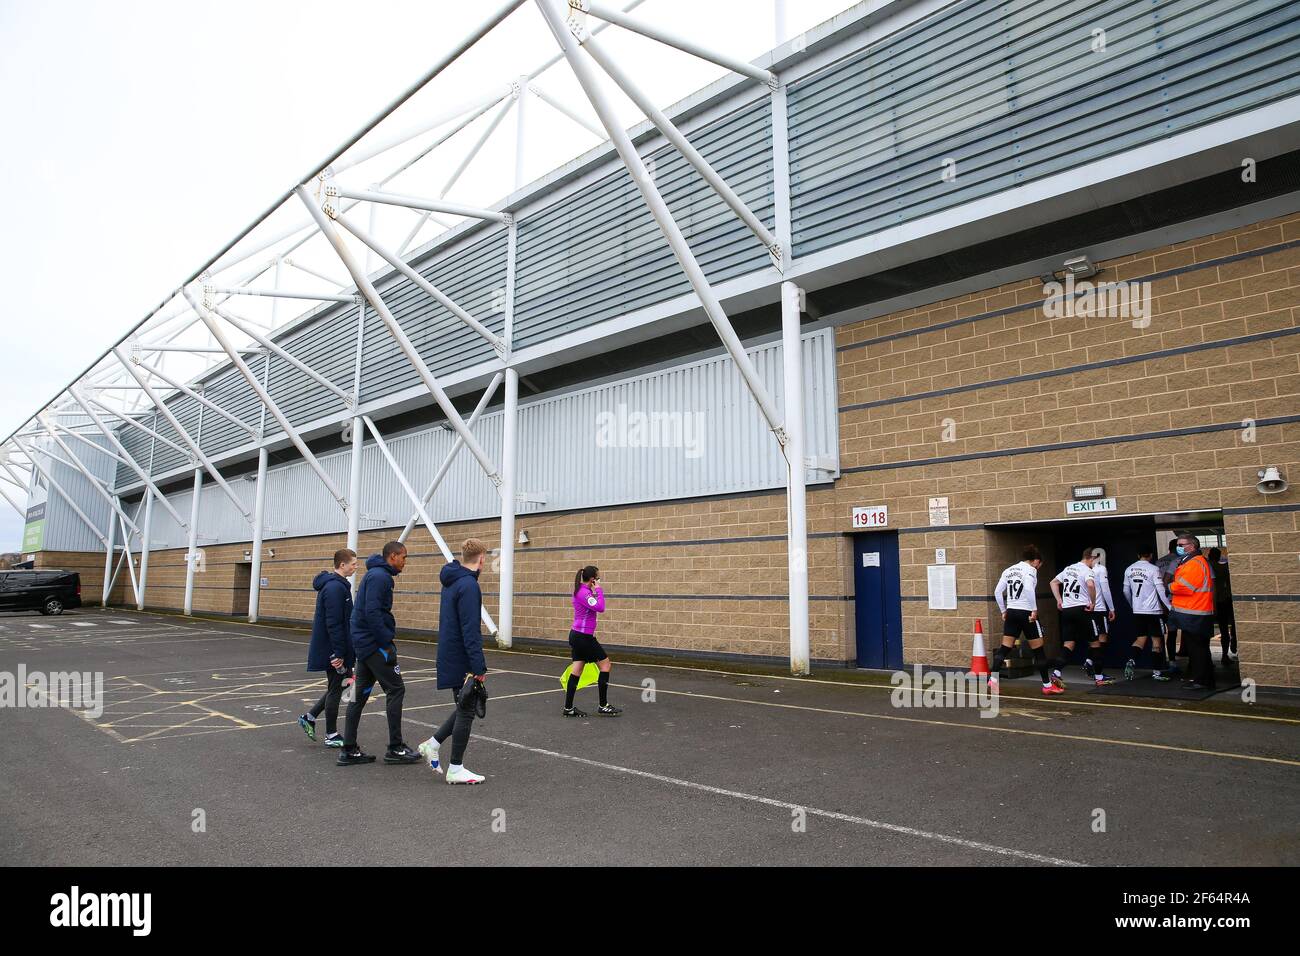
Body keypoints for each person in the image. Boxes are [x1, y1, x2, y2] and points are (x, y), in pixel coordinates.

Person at [337, 541, 421, 766]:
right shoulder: (380, 578)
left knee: (360, 695)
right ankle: (395, 748)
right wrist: (385, 643)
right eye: (404, 557)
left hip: (365, 645)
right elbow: (372, 612)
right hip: (374, 646)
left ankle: (349, 749)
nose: (405, 562)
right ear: (392, 556)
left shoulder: (377, 575)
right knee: (396, 689)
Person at [418, 538, 489, 785]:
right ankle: (455, 768)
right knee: (467, 710)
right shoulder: (469, 586)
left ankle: (433, 744)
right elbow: (470, 629)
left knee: (463, 707)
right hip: (461, 657)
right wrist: (478, 667)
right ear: (481, 559)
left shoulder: (452, 582)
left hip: (450, 652)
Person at [299, 548, 357, 747]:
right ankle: (331, 734)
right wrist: (338, 653)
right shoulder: (334, 588)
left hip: (337, 648)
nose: (355, 567)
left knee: (344, 683)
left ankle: (310, 716)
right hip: (333, 650)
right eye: (353, 564)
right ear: (342, 565)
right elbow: (334, 623)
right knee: (336, 687)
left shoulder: (339, 586)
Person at [991, 545, 1060, 696]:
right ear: (1036, 561)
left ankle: (993, 679)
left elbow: (997, 592)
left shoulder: (1008, 570)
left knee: (1005, 647)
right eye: (1039, 564)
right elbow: (1028, 588)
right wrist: (1034, 609)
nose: (1039, 567)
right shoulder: (1030, 570)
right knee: (1039, 650)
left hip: (1012, 612)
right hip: (1026, 612)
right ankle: (1047, 686)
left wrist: (1004, 610)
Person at [563, 565, 621, 717]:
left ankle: (568, 708)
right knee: (606, 664)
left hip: (579, 636)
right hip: (583, 637)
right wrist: (599, 590)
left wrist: (594, 592)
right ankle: (603, 705)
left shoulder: (584, 591)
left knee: (577, 669)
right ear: (592, 579)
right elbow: (600, 607)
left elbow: (594, 606)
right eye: (598, 578)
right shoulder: (583, 593)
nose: (599, 580)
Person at [1049, 547, 1112, 686]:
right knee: (1095, 643)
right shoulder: (1087, 570)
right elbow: (1090, 585)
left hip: (1067, 610)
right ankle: (1099, 677)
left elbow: (1053, 582)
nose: (1094, 564)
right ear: (1091, 558)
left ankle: (1057, 673)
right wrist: (1093, 603)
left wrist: (1059, 600)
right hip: (1082, 609)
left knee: (1068, 644)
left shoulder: (1069, 568)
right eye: (1094, 560)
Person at [1169, 533, 1217, 691]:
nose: (1179, 547)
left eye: (1181, 545)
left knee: (1197, 650)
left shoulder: (1195, 563)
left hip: (1195, 614)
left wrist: (1169, 587)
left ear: (1192, 546)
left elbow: (1184, 586)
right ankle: (1204, 679)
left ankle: (1201, 681)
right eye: (1178, 544)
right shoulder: (1192, 561)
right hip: (1195, 613)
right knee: (1199, 649)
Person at [1121, 547, 1174, 681]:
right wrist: (1169, 606)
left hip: (1138, 610)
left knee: (1140, 639)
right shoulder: (1153, 569)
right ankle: (1156, 673)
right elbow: (1161, 590)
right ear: (1150, 555)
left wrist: (1132, 605)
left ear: (1138, 555)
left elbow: (1125, 591)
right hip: (1153, 611)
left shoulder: (1129, 569)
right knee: (1156, 642)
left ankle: (1131, 660)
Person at [1208, 547, 1237, 664]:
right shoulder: (1222, 568)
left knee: (1204, 633)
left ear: (1209, 556)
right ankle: (1225, 655)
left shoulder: (1204, 566)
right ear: (1219, 556)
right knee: (1225, 629)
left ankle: (1206, 659)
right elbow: (1230, 585)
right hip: (1222, 600)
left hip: (1207, 602)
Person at [1090, 549, 1117, 675]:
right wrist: (1111, 608)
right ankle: (1095, 668)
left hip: (1086, 609)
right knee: (1102, 638)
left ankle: (1091, 663)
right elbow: (1105, 590)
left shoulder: (1081, 569)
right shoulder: (1100, 569)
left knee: (1092, 638)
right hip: (1099, 608)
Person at [1156, 538, 1182, 658]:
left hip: (1162, 601)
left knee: (1166, 632)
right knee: (1184, 631)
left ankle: (1170, 659)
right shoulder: (1181, 561)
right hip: (1178, 600)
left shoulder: (1158, 562)